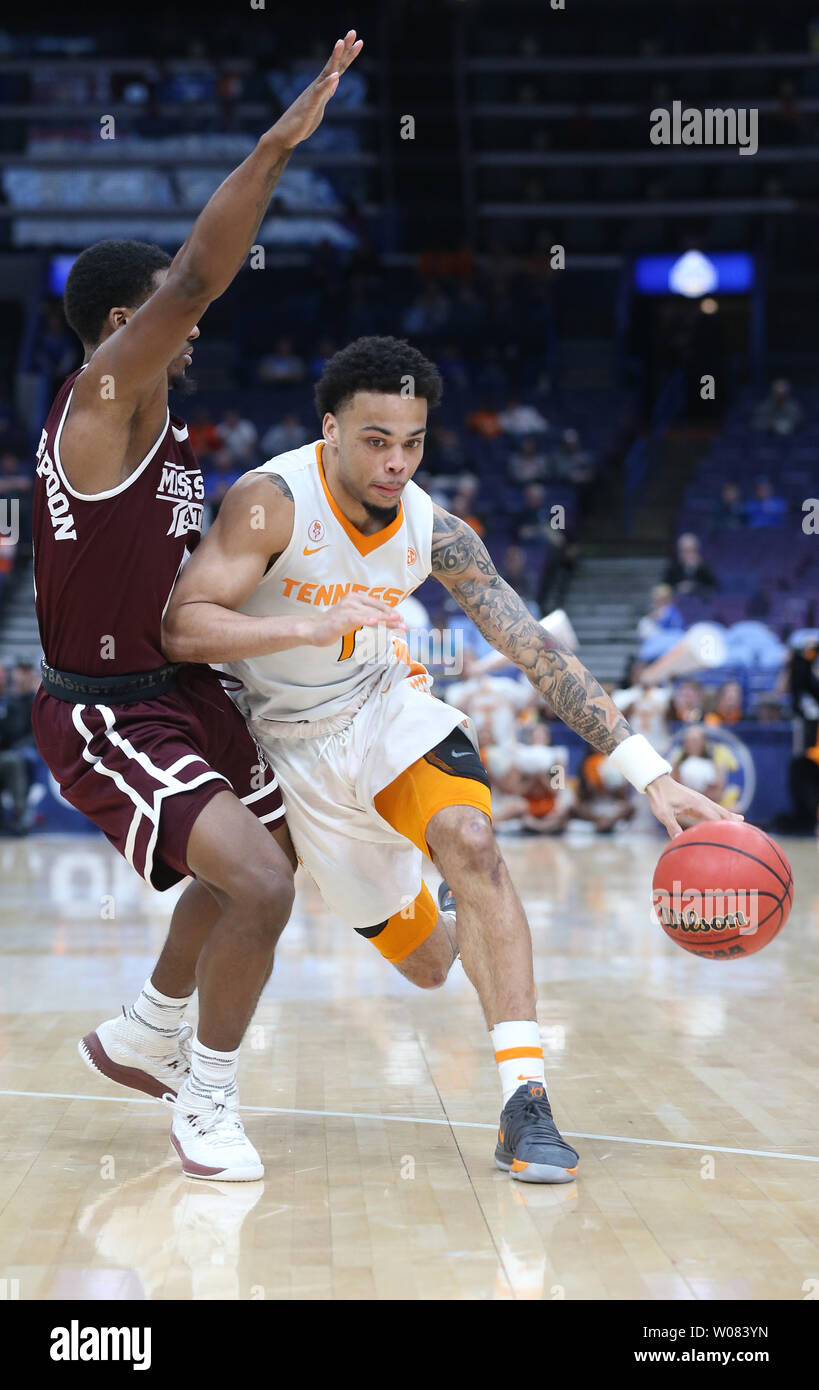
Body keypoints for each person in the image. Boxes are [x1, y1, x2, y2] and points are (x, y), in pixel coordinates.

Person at [163, 335, 742, 1186]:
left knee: (471, 839)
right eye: (375, 440)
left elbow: (535, 651)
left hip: (383, 707)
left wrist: (649, 771)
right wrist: (306, 626)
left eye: (413, 442)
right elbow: (183, 624)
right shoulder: (271, 501)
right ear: (329, 429)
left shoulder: (436, 528)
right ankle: (424, 896)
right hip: (284, 747)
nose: (396, 462)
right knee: (432, 965)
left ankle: (525, 1105)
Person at [29, 32, 366, 1183]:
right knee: (261, 885)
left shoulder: (163, 429)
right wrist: (276, 143)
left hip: (182, 688)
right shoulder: (101, 400)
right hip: (107, 708)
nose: (199, 323)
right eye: (167, 312)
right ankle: (207, 1098)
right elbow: (192, 279)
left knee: (269, 859)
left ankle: (148, 1027)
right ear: (125, 322)